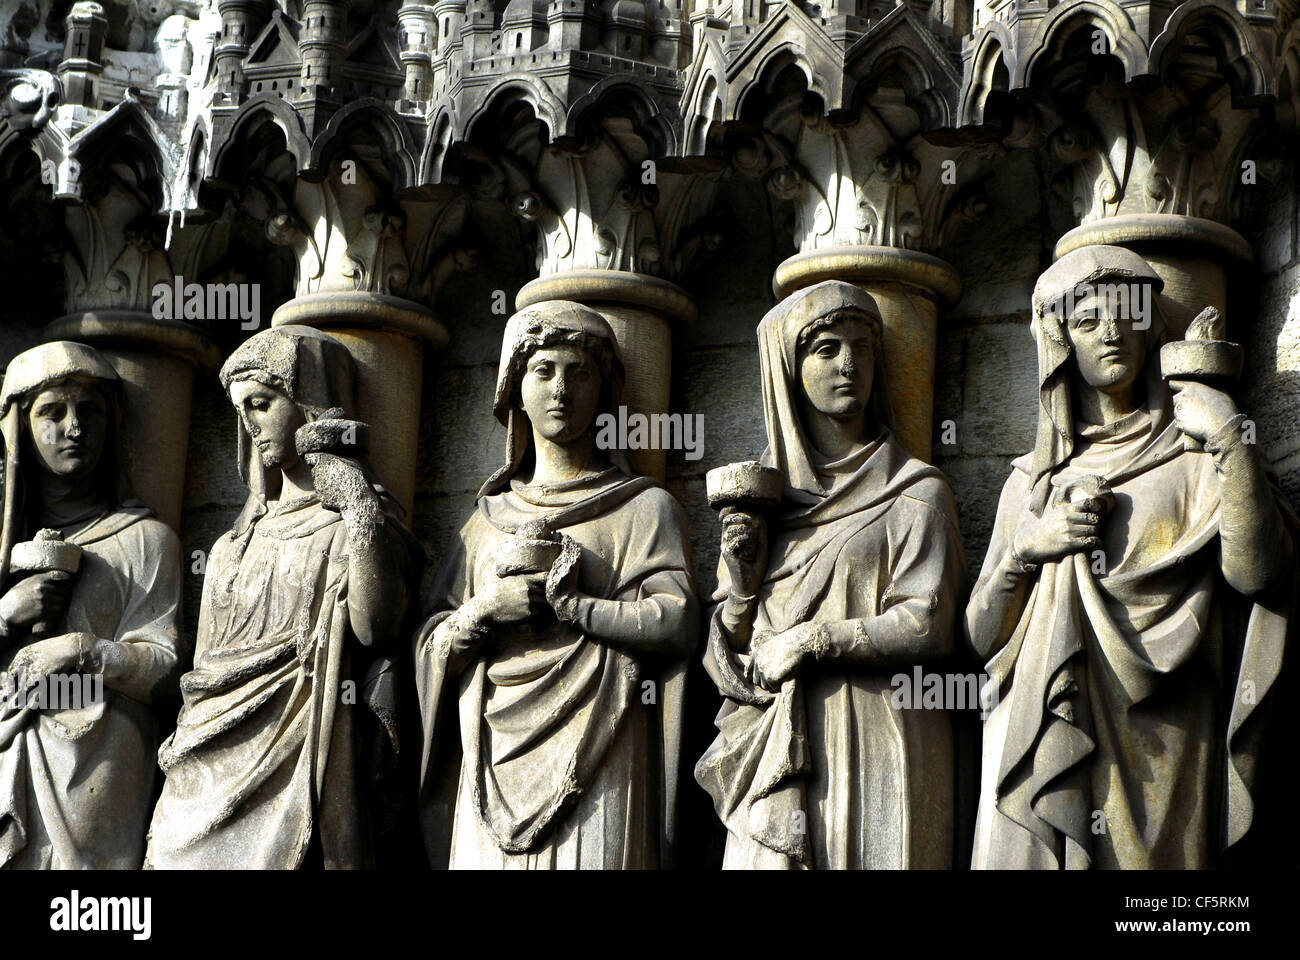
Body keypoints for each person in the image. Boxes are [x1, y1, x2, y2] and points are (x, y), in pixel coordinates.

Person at [967, 246, 1296, 868]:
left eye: (1126, 314)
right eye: (1087, 321)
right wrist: (1022, 552)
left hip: (1165, 742)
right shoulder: (1032, 484)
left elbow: (1259, 575)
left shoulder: (1196, 456)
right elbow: (981, 638)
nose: (1110, 332)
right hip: (1046, 724)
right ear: (1062, 340)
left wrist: (1227, 433)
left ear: (1152, 327)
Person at [415, 300, 697, 869]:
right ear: (514, 389)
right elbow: (429, 645)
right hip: (488, 757)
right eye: (543, 371)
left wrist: (578, 609)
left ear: (604, 391)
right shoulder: (483, 524)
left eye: (580, 372)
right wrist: (483, 611)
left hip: (606, 751)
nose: (561, 389)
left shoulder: (643, 510)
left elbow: (679, 622)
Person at [694, 280, 964, 869]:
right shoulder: (762, 502)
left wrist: (814, 641)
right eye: (827, 350)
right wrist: (740, 586)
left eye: (862, 348)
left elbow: (929, 625)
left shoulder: (916, 493)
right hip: (775, 750)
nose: (849, 365)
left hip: (881, 735)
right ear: (789, 370)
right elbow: (731, 660)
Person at [145, 325, 420, 869]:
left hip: (299, 758)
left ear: (309, 401)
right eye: (240, 408)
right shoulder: (229, 547)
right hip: (198, 773)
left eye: (262, 403)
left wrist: (359, 507)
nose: (249, 422)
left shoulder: (355, 520)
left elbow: (377, 628)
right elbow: (201, 680)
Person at [0, 341, 181, 869]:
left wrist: (84, 651)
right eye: (51, 411)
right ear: (19, 432)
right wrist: (6, 615)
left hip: (99, 763)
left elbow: (167, 670)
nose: (74, 427)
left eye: (90, 410)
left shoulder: (147, 541)